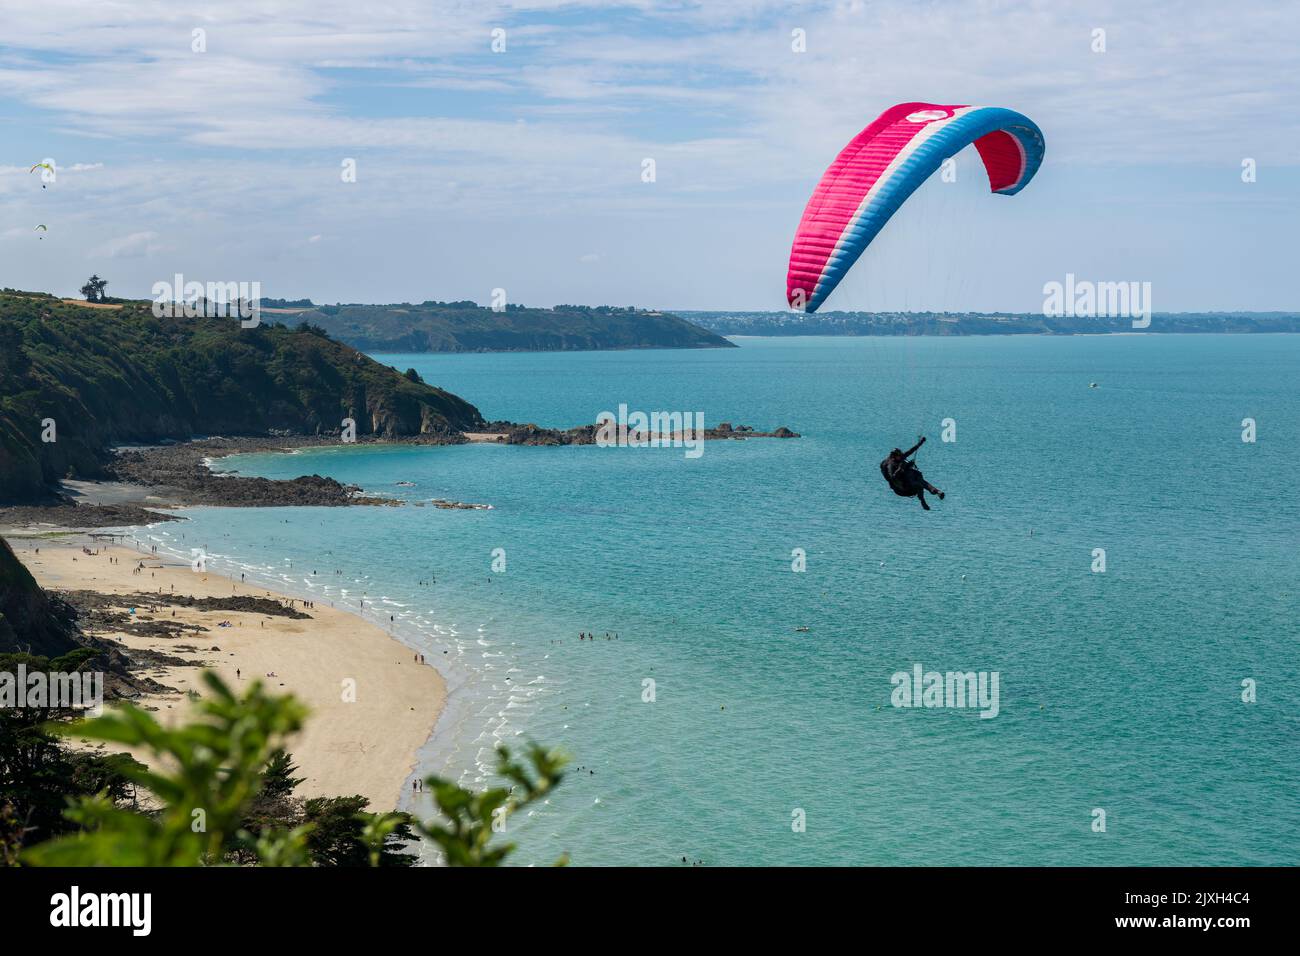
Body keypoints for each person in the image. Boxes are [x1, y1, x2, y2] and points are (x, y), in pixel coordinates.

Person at [880, 436, 945, 510]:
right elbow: (893, 477)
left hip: (906, 481)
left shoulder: (899, 458)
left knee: (919, 477)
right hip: (901, 488)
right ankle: (923, 501)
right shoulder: (890, 465)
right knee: (919, 485)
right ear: (894, 456)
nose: (901, 457)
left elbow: (910, 451)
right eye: (899, 456)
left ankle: (936, 491)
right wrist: (901, 468)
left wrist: (920, 443)